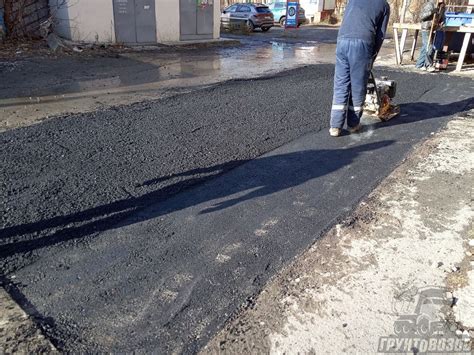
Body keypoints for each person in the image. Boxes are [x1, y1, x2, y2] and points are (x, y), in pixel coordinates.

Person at [329, 0, 390, 137]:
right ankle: (353, 124)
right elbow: (380, 35)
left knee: (341, 84)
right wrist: (372, 56)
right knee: (357, 87)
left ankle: (335, 126)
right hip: (362, 44)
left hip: (342, 41)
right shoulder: (384, 5)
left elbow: (347, 19)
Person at [416, 0, 445, 71]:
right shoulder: (430, 4)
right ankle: (429, 65)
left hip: (433, 28)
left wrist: (442, 21)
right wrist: (431, 12)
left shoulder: (441, 6)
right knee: (429, 47)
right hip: (426, 28)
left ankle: (419, 64)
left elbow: (442, 17)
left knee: (425, 47)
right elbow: (421, 16)